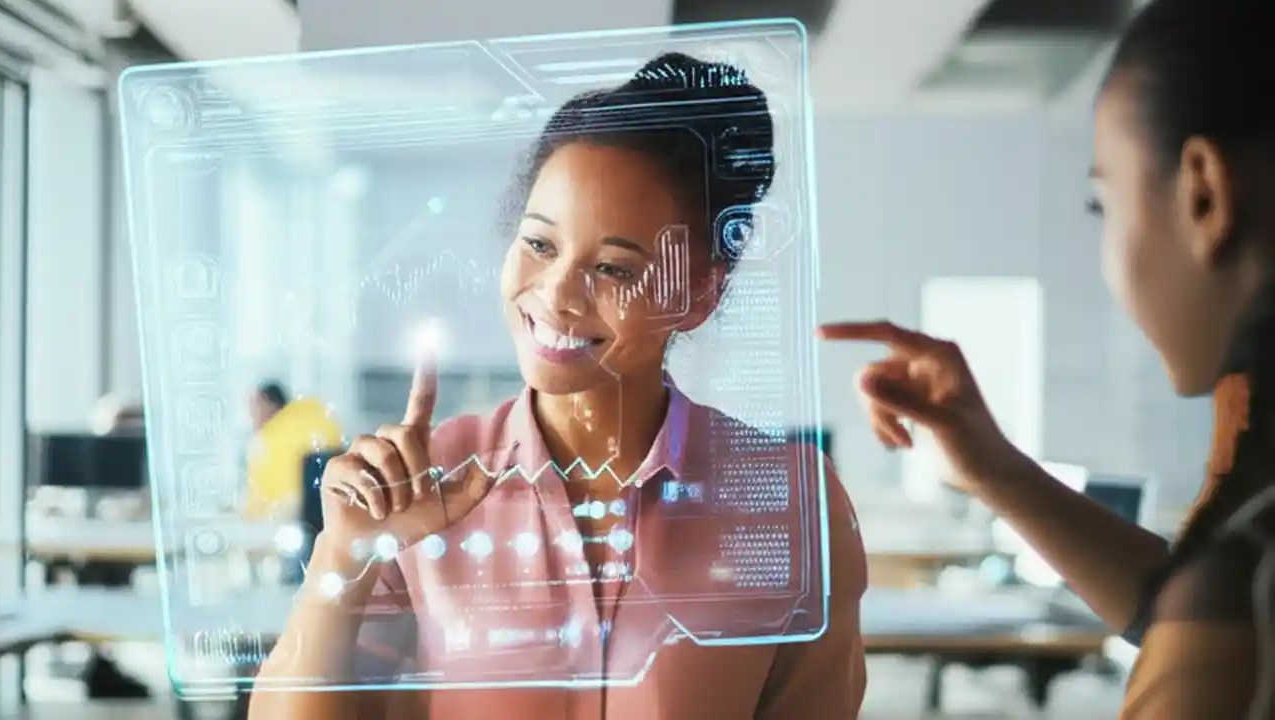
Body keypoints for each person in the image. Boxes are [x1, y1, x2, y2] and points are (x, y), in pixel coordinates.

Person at [251, 54, 867, 719]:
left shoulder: (793, 503)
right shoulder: (424, 480)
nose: (557, 295)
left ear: (698, 295)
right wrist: (347, 554)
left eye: (612, 268)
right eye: (540, 246)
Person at [822, 1, 1275, 717]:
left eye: (1104, 204)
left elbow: (1210, 641)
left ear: (1204, 195)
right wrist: (994, 470)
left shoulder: (1246, 581)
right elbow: (1177, 624)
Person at [244, 380, 343, 520]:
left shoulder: (269, 438)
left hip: (291, 515)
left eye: (254, 409)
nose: (252, 417)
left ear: (268, 405)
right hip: (333, 510)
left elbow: (258, 500)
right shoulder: (315, 414)